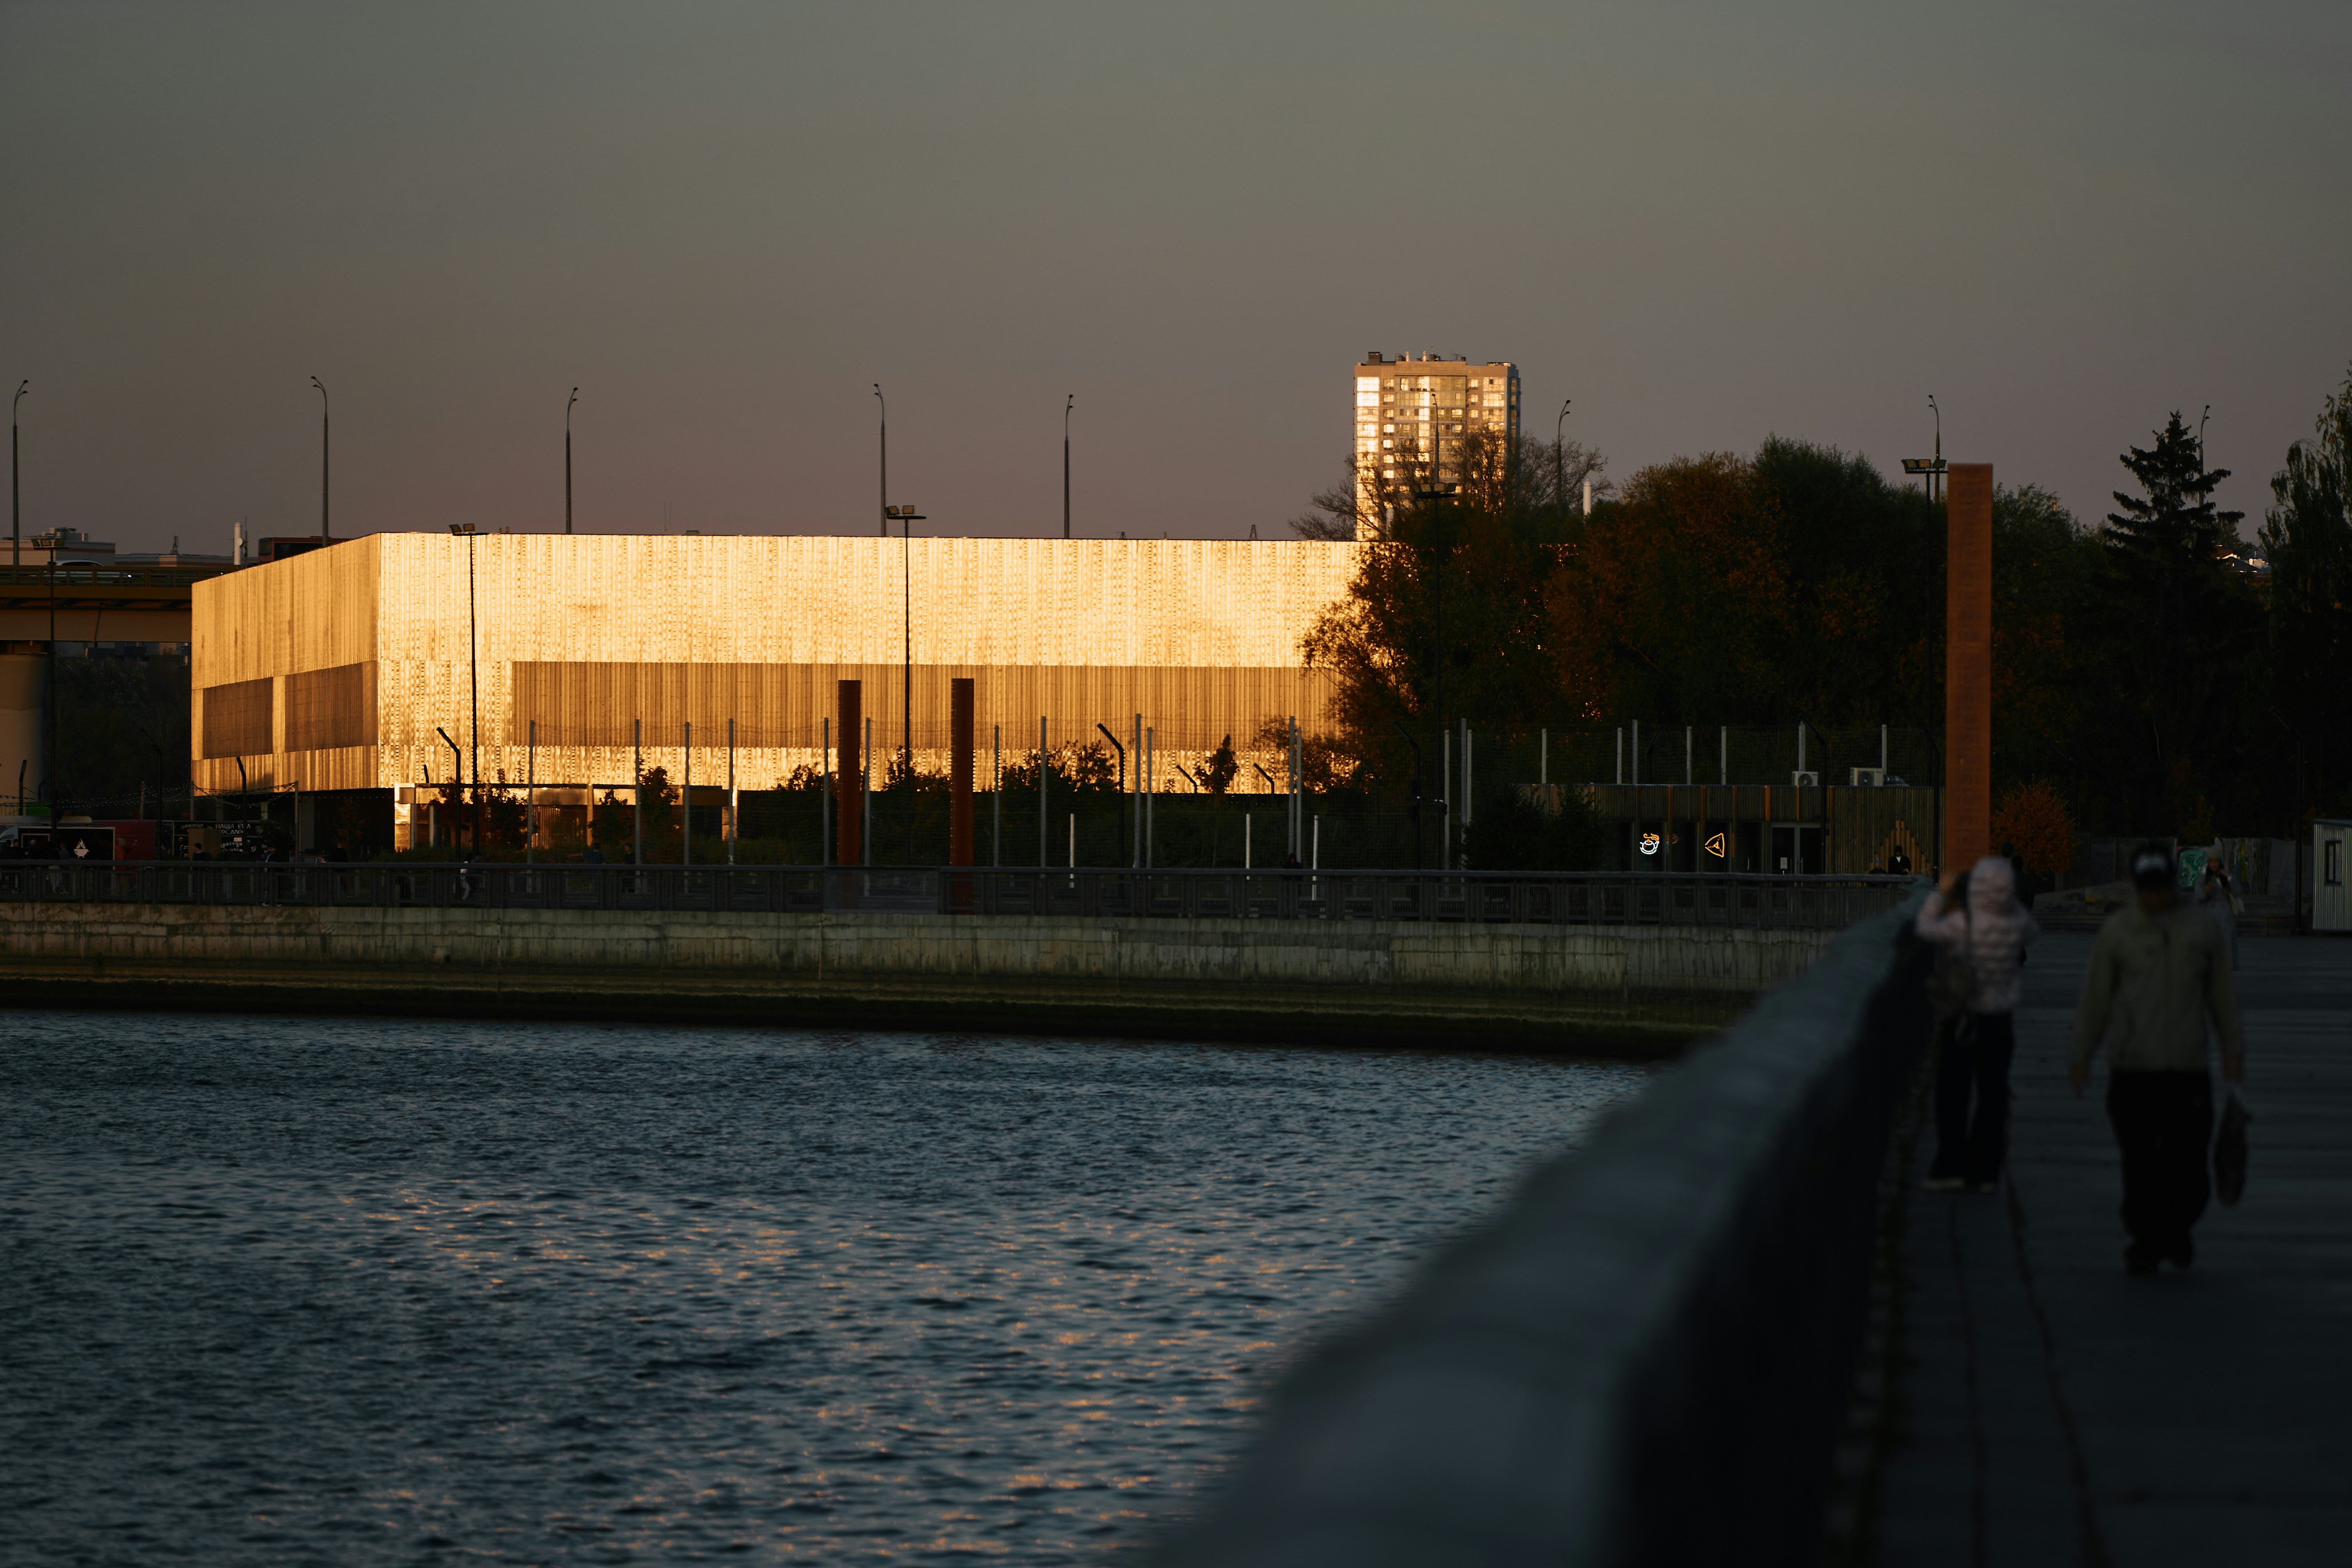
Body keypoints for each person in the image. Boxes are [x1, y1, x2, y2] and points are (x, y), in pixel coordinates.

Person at [2070, 841, 2246, 1275]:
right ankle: (2148, 1241)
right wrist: (2080, 1054)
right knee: (2141, 1164)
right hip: (2133, 1069)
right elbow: (2095, 999)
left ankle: (2173, 1228)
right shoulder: (2117, 934)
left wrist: (2231, 1047)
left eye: (2160, 888)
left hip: (2186, 1069)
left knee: (2188, 1167)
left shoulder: (2200, 930)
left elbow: (2220, 994)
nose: (2154, 898)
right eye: (2146, 889)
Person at [1916, 856, 2039, 1193]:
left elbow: (1925, 927)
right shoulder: (2012, 923)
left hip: (1963, 1019)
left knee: (1953, 1093)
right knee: (1993, 1096)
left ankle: (1950, 1164)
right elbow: (2032, 931)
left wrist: (1940, 894)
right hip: (1999, 1020)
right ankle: (1985, 1171)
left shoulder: (1961, 922)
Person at [2196, 856, 2241, 971]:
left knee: (2226, 939)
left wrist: (2229, 877)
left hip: (2226, 912)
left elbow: (2237, 891)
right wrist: (2206, 890)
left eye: (2216, 862)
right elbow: (2199, 896)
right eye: (2211, 861)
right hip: (2212, 911)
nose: (2214, 864)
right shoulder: (2203, 877)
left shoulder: (2225, 875)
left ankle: (2226, 964)